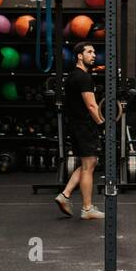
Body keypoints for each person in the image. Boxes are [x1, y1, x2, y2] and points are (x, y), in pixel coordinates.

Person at [55, 41, 105, 220]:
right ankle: (87, 208)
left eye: (94, 52)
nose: (94, 55)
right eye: (89, 52)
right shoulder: (84, 77)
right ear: (79, 56)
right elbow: (92, 106)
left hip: (76, 126)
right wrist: (102, 124)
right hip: (84, 126)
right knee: (88, 165)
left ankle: (65, 195)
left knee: (87, 164)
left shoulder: (72, 76)